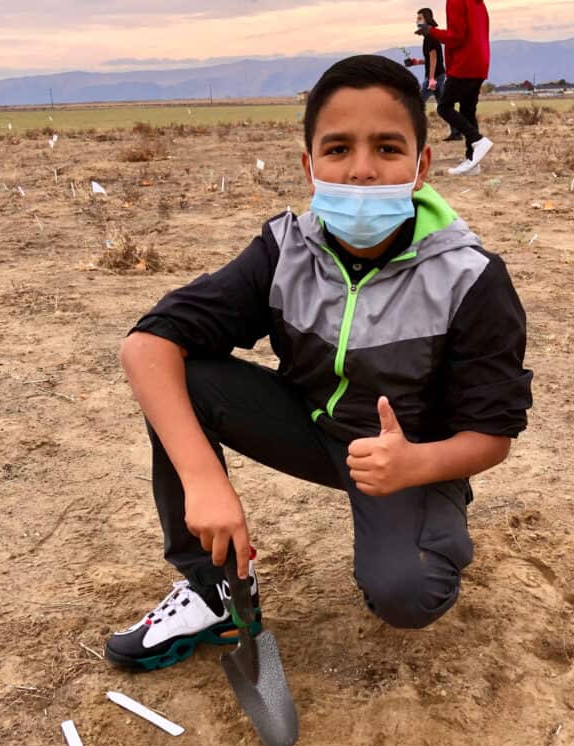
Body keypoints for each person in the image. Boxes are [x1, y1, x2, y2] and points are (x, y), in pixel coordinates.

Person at [105, 54, 532, 673]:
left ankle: (430, 518)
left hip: (404, 457)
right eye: (338, 150)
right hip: (309, 428)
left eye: (387, 148)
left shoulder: (470, 279)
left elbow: (494, 435)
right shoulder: (284, 250)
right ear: (310, 167)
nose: (360, 171)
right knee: (182, 379)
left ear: (420, 167)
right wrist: (203, 479)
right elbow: (146, 346)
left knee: (406, 592)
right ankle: (210, 591)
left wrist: (419, 462)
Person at [424, 0, 493, 175]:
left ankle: (478, 141)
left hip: (465, 63)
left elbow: (456, 36)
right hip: (480, 62)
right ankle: (472, 161)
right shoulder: (478, 3)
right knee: (468, 111)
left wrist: (431, 31)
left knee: (444, 107)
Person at [405, 7, 461, 142]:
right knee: (444, 107)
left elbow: (434, 58)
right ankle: (457, 131)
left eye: (419, 18)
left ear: (427, 19)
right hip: (437, 75)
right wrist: (415, 62)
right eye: (417, 18)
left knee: (416, 104)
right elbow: (430, 59)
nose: (417, 21)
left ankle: (410, 134)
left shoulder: (431, 37)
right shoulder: (428, 37)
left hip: (435, 77)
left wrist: (431, 79)